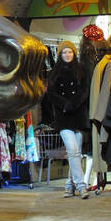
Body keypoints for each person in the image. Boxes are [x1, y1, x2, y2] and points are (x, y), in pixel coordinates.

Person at [46, 40, 90, 198]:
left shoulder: (81, 70)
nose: (68, 54)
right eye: (64, 52)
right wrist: (65, 104)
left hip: (78, 115)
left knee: (76, 153)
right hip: (63, 116)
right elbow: (51, 94)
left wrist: (74, 103)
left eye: (70, 51)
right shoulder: (53, 73)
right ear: (60, 54)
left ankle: (69, 185)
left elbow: (85, 90)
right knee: (72, 150)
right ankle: (81, 185)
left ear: (74, 53)